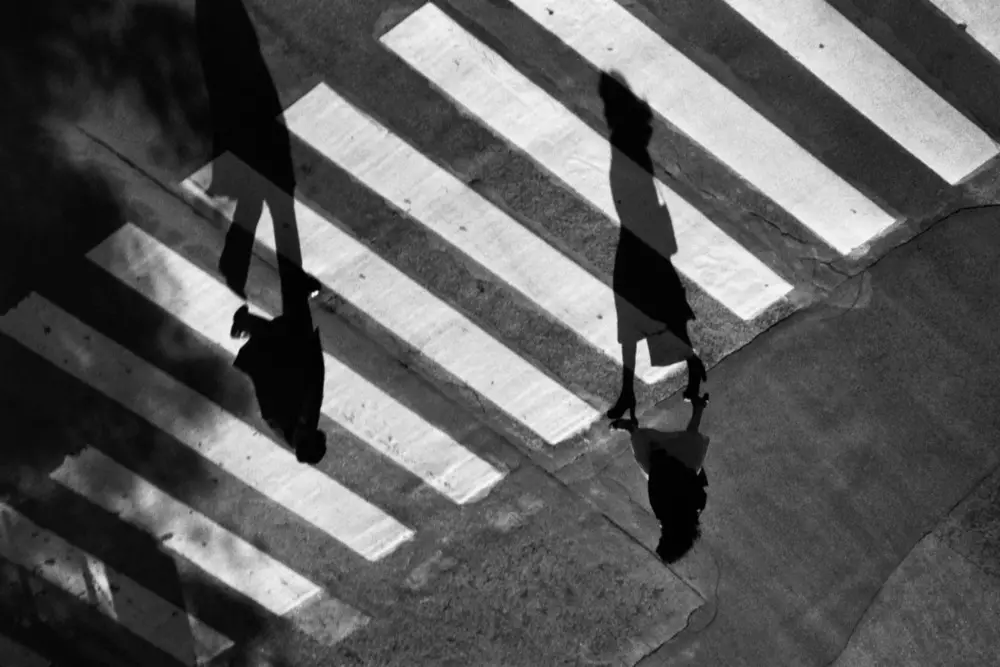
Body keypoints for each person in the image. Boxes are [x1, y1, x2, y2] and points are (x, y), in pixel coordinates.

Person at [599, 70, 706, 422]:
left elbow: (637, 194)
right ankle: (632, 389)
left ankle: (687, 369)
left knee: (649, 313)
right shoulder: (628, 141)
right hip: (636, 238)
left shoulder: (627, 145)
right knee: (638, 316)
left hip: (639, 241)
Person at [612, 392, 710, 563]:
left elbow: (700, 493)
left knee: (689, 438)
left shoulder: (693, 513)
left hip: (687, 464)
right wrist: (658, 456)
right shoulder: (664, 511)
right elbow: (656, 483)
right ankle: (631, 428)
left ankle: (699, 407)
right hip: (666, 464)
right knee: (642, 448)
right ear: (669, 536)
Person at [230, 304, 326, 464]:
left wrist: (311, 345)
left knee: (288, 326)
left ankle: (244, 323)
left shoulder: (290, 417)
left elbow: (314, 379)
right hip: (265, 360)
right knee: (291, 322)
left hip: (263, 357)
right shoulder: (298, 423)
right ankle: (245, 325)